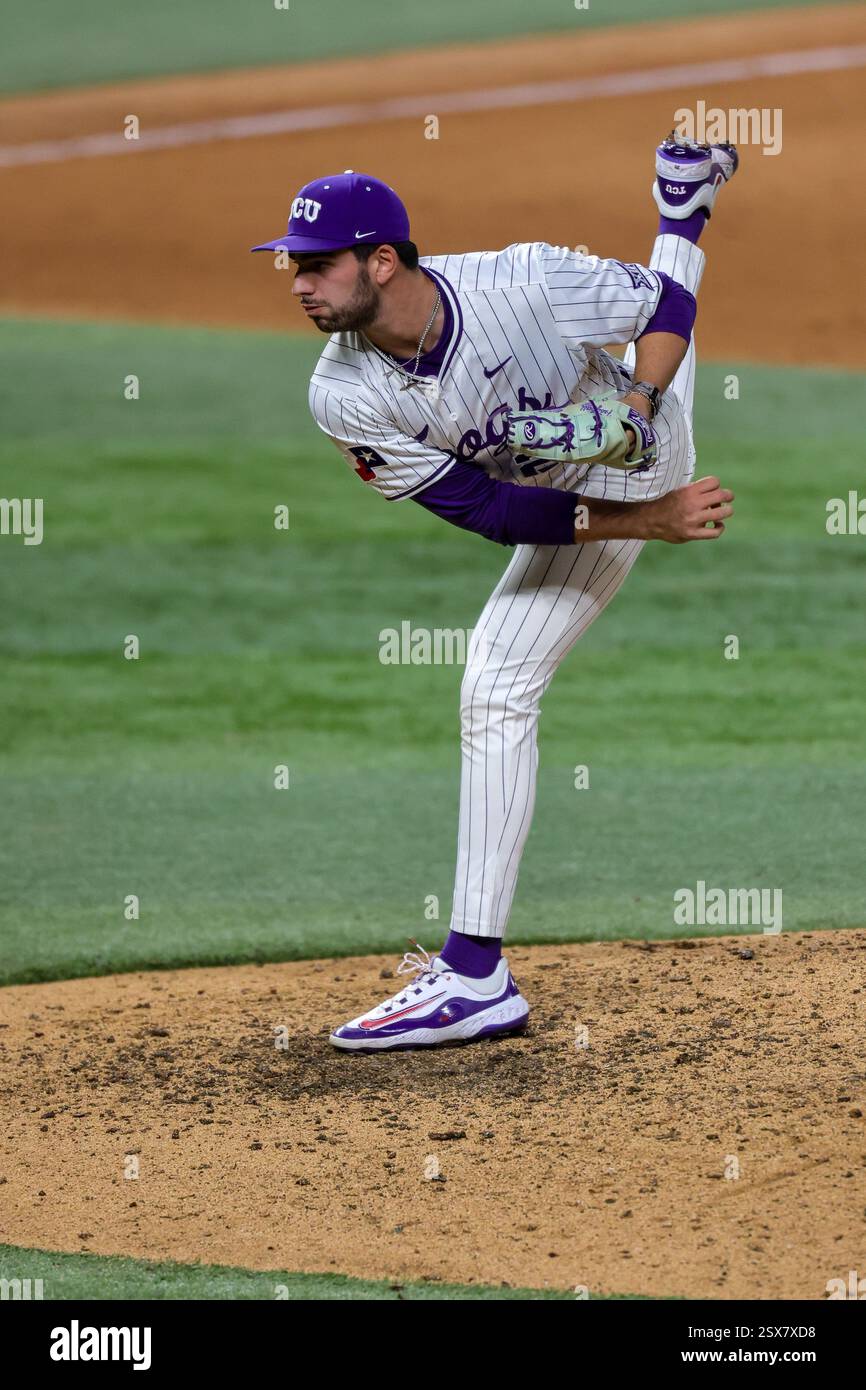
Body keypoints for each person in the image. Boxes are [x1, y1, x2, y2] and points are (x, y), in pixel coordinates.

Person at [251, 136, 738, 1051]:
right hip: (561, 486)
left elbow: (668, 306)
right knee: (558, 455)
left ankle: (475, 976)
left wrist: (639, 435)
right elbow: (488, 509)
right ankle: (683, 203)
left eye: (317, 266)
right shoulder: (342, 392)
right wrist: (650, 525)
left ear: (381, 260)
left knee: (495, 684)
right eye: (291, 266)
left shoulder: (524, 283)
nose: (298, 283)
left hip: (633, 456)